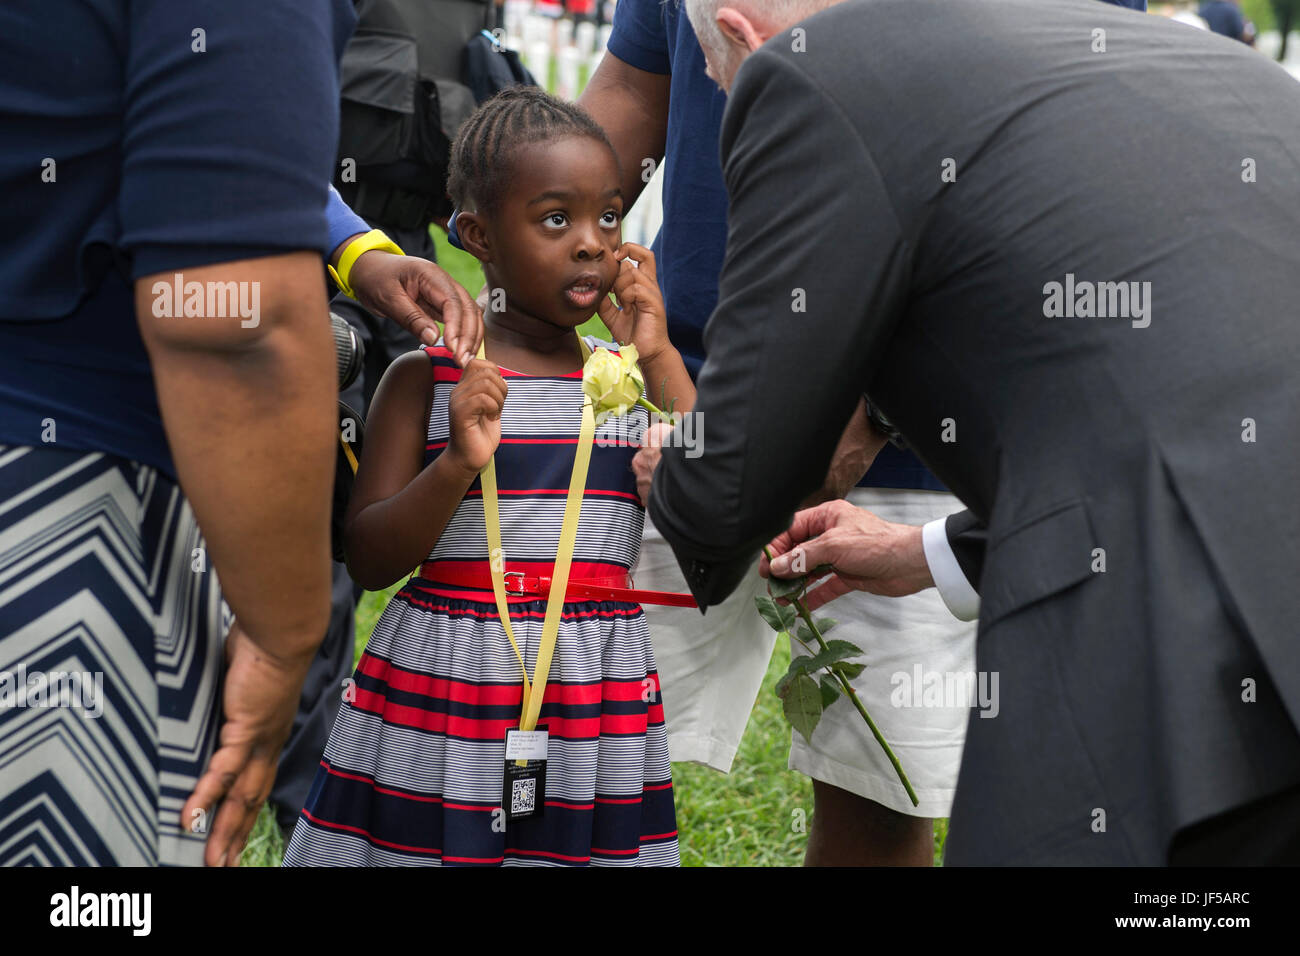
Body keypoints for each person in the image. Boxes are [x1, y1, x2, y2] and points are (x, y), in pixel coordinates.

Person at [638, 0, 1300, 864]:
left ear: (742, 34)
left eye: (724, 90)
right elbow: (1141, 384)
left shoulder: (805, 73)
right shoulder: (1098, 47)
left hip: (1184, 602)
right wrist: (931, 552)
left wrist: (680, 474)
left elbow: (734, 485)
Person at [283, 87, 695, 865]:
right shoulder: (427, 380)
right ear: (476, 236)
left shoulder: (628, 382)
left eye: (608, 217)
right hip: (443, 692)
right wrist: (457, 465)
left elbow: (715, 484)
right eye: (554, 220)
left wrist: (661, 354)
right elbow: (369, 559)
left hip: (589, 697)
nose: (591, 245)